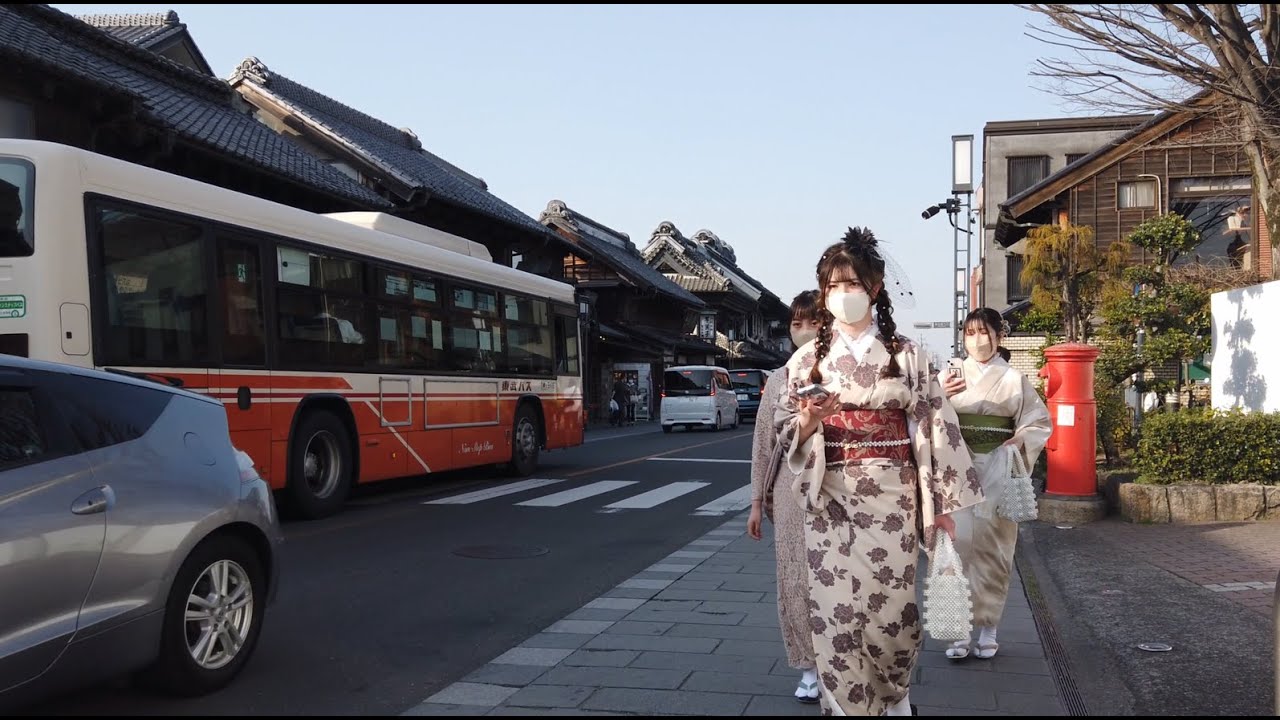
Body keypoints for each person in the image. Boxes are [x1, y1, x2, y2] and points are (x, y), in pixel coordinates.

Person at [776, 227, 983, 716]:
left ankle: (894, 697)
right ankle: (847, 707)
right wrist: (809, 420)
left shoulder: (909, 355)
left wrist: (945, 507)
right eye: (832, 287)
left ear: (876, 286)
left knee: (893, 616)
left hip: (894, 496)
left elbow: (936, 426)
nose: (842, 296)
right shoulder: (807, 361)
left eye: (852, 285)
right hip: (828, 497)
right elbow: (787, 432)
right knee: (834, 614)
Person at [940, 308, 1051, 661]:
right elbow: (926, 417)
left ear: (998, 337)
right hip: (957, 465)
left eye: (984, 332)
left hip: (999, 465)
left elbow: (1037, 420)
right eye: (970, 333)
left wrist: (1020, 441)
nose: (978, 340)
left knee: (994, 547)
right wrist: (939, 395)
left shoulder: (1014, 379)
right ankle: (957, 629)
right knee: (954, 547)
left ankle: (988, 627)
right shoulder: (950, 374)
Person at [747, 289, 822, 703]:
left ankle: (835, 661)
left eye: (814, 322)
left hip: (837, 487)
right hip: (791, 492)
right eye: (796, 324)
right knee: (794, 576)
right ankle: (807, 665)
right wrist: (758, 501)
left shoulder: (843, 370)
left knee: (834, 578)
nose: (805, 331)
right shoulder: (778, 378)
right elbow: (763, 443)